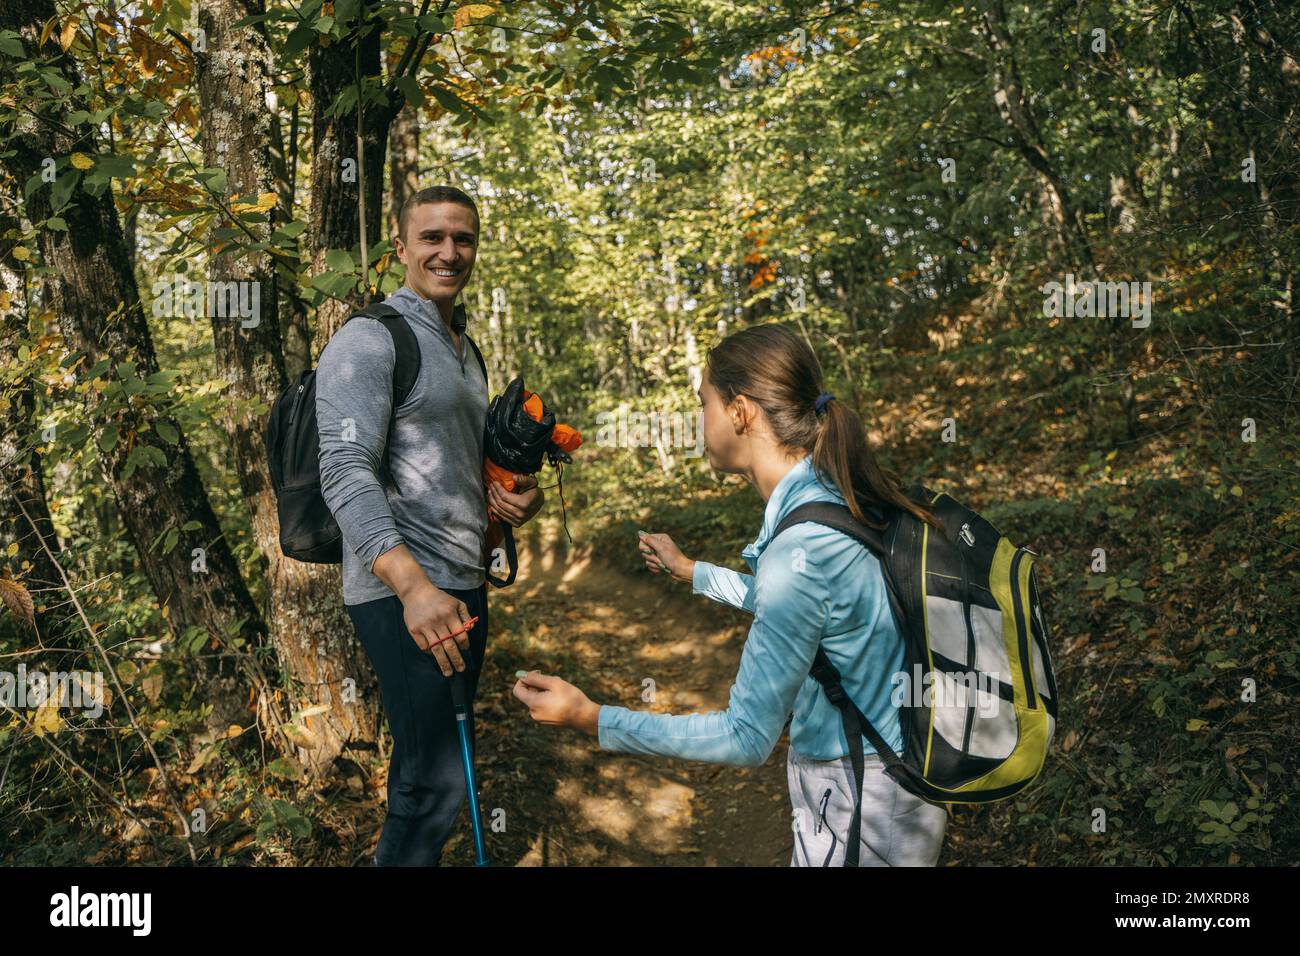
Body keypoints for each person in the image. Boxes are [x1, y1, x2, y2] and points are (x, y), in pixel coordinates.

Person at [512, 323, 949, 866]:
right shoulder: (833, 496)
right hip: (886, 780)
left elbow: (745, 738)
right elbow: (814, 611)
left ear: (740, 412)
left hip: (861, 801)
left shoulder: (800, 546)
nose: (701, 421)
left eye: (705, 404)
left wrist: (592, 717)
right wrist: (693, 571)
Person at [316, 185, 544, 866]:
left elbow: (461, 466)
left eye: (463, 238)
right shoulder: (368, 339)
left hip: (461, 585)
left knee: (436, 766)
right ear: (401, 249)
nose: (449, 252)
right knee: (431, 779)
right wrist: (414, 589)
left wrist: (515, 499)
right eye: (433, 238)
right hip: (404, 593)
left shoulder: (463, 348)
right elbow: (345, 469)